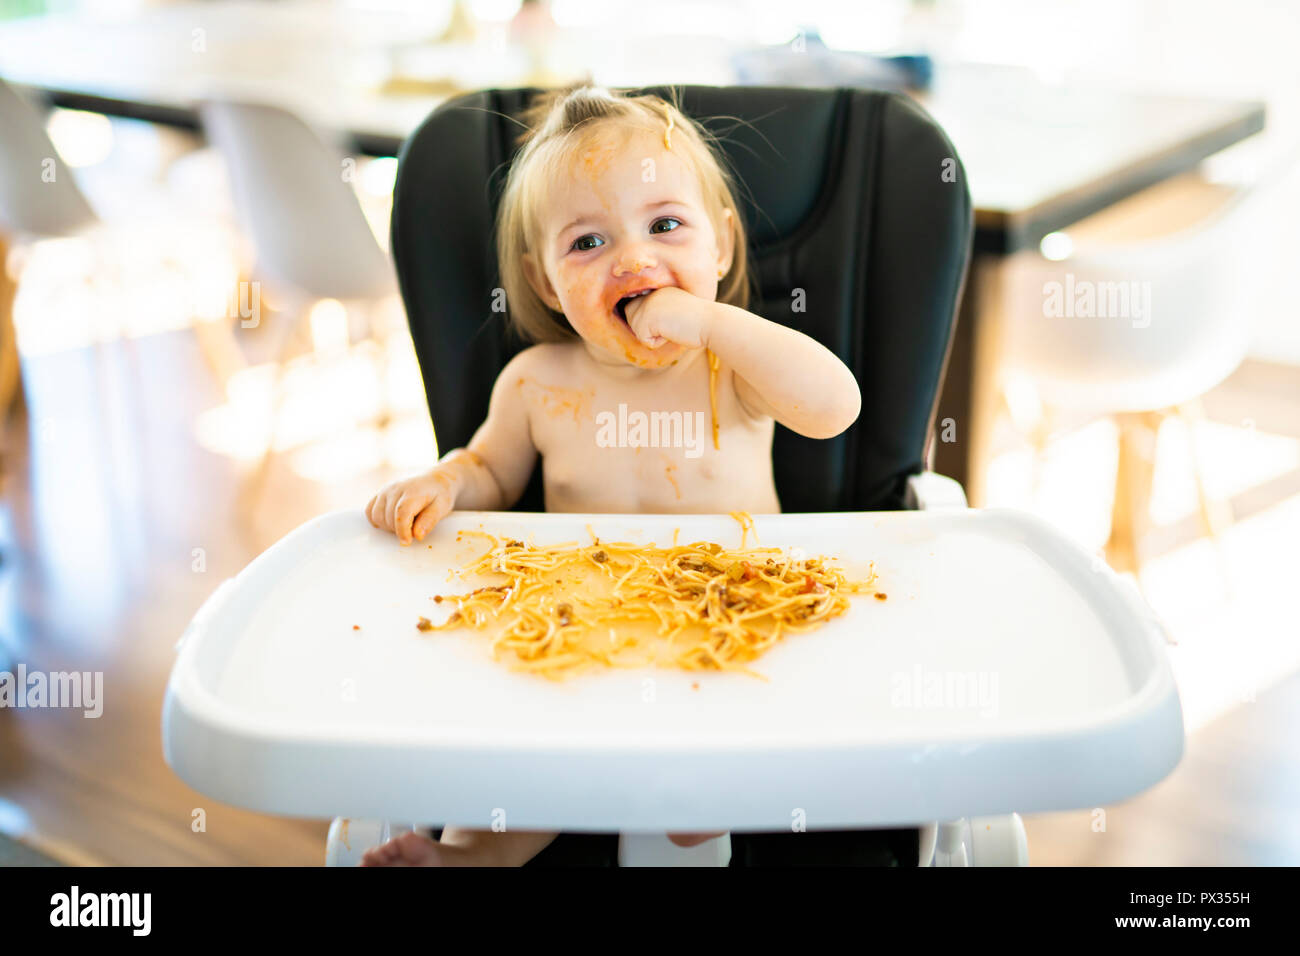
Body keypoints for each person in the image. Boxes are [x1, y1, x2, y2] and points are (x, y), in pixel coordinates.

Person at [362, 84, 861, 866]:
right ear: (543, 281)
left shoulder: (735, 368)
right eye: (587, 243)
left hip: (729, 620)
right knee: (528, 744)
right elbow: (491, 468)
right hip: (581, 626)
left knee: (702, 788)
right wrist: (449, 482)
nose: (634, 258)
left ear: (721, 247)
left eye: (666, 225)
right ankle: (475, 854)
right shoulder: (535, 382)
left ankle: (685, 797)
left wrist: (707, 322)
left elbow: (833, 407)